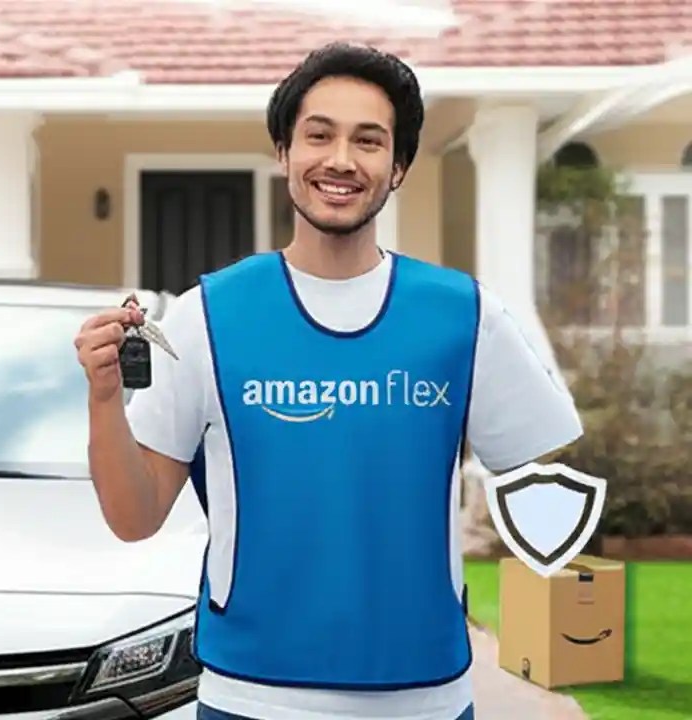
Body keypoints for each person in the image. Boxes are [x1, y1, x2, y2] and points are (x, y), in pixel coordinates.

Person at [73, 42, 583, 720]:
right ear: (283, 152)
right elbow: (134, 518)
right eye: (319, 135)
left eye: (369, 141)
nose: (341, 160)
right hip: (250, 695)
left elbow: (541, 481)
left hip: (424, 698)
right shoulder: (207, 317)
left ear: (398, 166)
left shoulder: (465, 315)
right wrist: (105, 400)